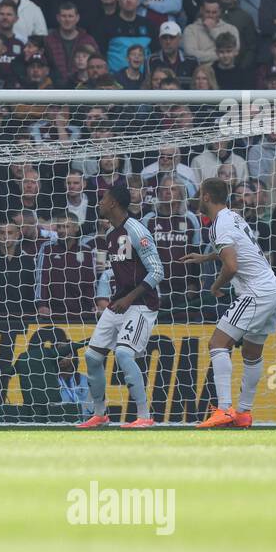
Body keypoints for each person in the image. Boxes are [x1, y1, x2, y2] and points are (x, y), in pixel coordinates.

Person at [184, 177, 276, 428]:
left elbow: (231, 265)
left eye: (199, 193)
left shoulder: (219, 225)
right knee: (251, 352)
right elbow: (236, 250)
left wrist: (215, 287)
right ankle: (244, 413)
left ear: (206, 196)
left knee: (218, 343)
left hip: (255, 292)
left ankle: (225, 408)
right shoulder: (233, 217)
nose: (196, 198)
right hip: (272, 289)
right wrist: (206, 257)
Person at [77, 184, 165, 429]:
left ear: (114, 203)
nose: (100, 203)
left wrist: (128, 299)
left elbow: (158, 271)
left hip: (141, 305)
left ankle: (144, 415)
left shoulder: (137, 230)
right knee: (92, 356)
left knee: (124, 354)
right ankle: (100, 414)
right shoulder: (110, 235)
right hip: (119, 304)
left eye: (103, 199)